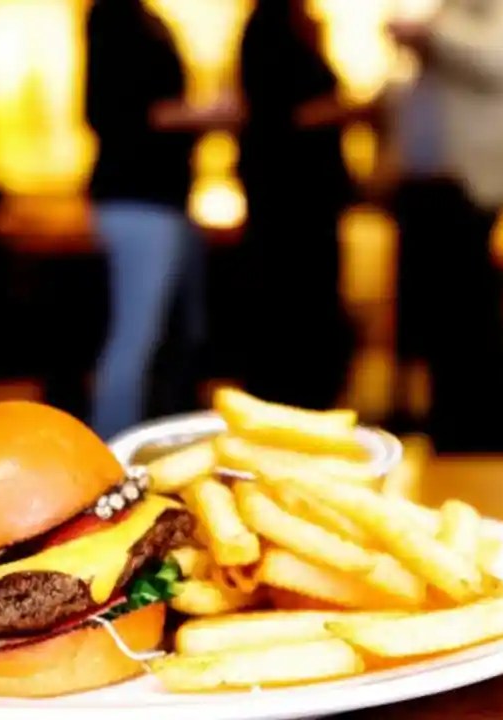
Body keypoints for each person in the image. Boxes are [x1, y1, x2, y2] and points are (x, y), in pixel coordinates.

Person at [386, 0, 503, 452]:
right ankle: (455, 433)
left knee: (467, 319)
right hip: (433, 185)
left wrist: (429, 37)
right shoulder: (455, 11)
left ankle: (481, 436)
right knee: (445, 324)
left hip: (471, 184)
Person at [84, 0, 238, 439]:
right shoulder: (114, 19)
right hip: (138, 199)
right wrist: (204, 115)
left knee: (177, 339)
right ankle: (110, 461)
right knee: (136, 337)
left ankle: (163, 450)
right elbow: (117, 111)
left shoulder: (146, 20)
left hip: (164, 200)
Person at [237, 0, 363, 409]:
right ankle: (295, 410)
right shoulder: (269, 30)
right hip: (291, 204)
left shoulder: (291, 28)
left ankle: (302, 403)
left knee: (304, 309)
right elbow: (275, 113)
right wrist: (350, 110)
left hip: (302, 203)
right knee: (295, 310)